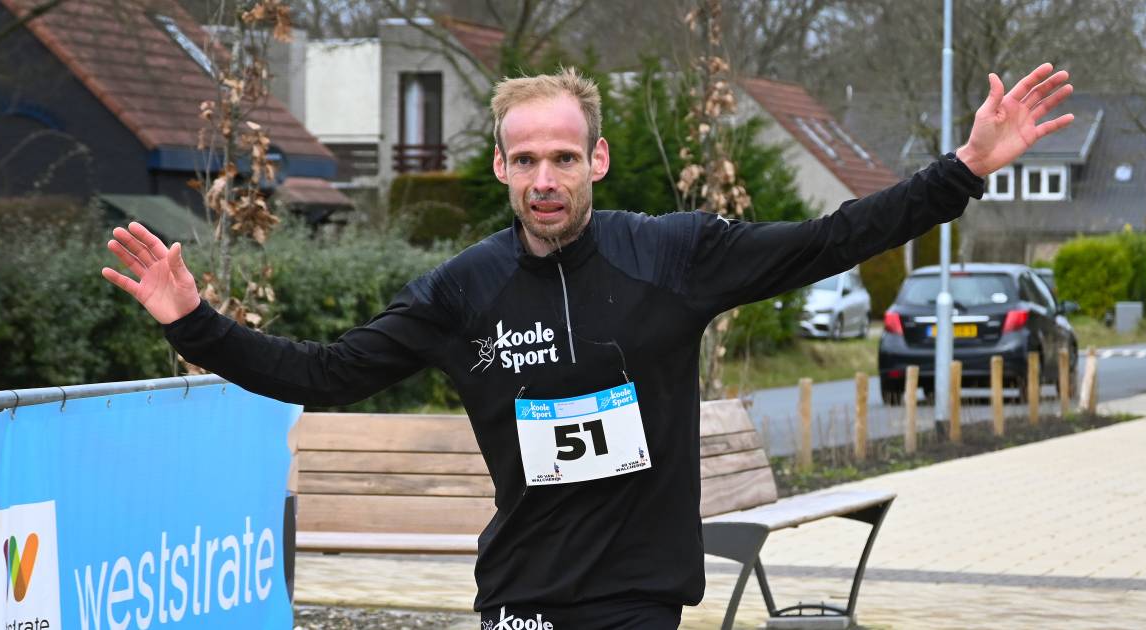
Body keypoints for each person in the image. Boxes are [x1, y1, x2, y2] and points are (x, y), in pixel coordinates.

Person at [104, 64, 1074, 629]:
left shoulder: (676, 256)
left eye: (563, 157)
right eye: (525, 159)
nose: (545, 178)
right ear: (500, 168)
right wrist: (193, 322)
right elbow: (321, 373)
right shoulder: (464, 293)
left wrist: (964, 170)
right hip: (524, 597)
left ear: (596, 159)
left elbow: (830, 240)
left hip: (640, 599)